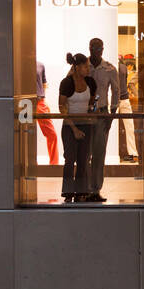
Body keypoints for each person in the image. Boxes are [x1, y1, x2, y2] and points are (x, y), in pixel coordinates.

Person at [58, 53, 96, 203]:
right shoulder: (66, 83)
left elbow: (92, 103)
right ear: (77, 67)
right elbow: (62, 108)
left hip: (86, 125)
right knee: (69, 159)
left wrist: (92, 114)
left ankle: (81, 191)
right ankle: (68, 191)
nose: (88, 69)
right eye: (85, 66)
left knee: (83, 159)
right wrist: (74, 129)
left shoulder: (90, 82)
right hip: (69, 125)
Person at [87, 37, 120, 204]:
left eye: (99, 47)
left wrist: (112, 116)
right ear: (89, 48)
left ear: (103, 49)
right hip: (84, 115)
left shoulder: (109, 69)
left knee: (99, 154)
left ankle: (95, 189)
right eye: (93, 47)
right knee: (84, 154)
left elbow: (116, 92)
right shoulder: (81, 67)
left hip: (101, 114)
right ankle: (83, 188)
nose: (96, 50)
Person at [36, 61, 59, 164]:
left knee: (52, 134)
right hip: (26, 102)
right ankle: (26, 164)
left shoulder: (40, 65)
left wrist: (42, 96)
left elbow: (44, 83)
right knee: (25, 133)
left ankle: (54, 164)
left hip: (39, 102)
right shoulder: (21, 65)